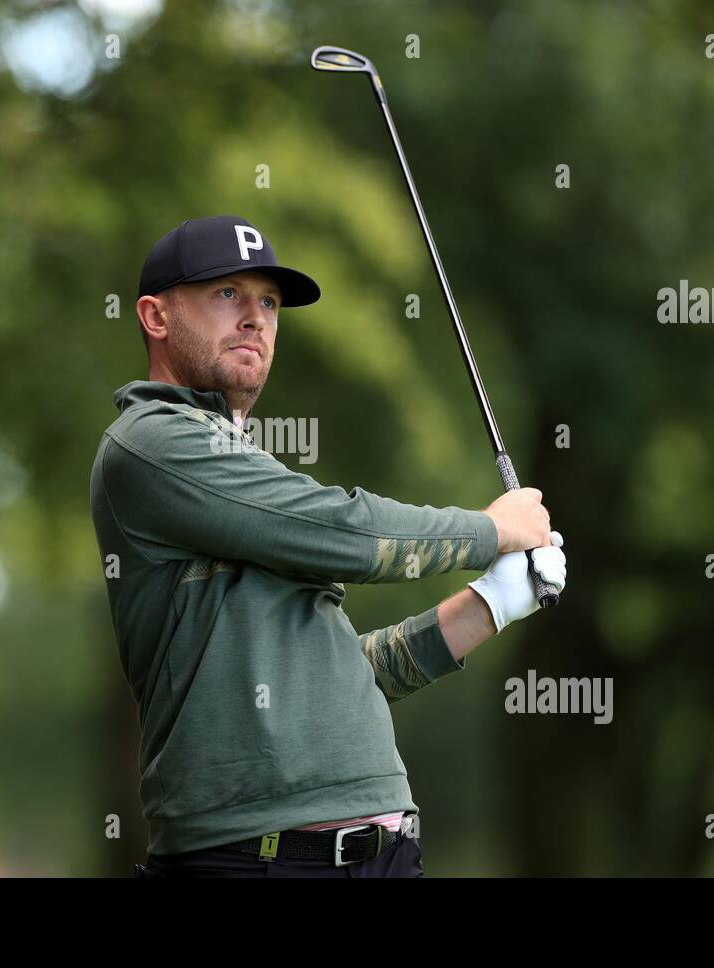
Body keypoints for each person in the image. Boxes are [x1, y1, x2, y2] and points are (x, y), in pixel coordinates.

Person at [90, 215, 566, 877]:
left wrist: (489, 606)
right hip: (250, 861)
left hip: (385, 856)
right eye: (227, 294)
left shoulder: (245, 475)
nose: (255, 318)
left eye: (269, 303)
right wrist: (491, 530)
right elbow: (341, 531)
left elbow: (342, 678)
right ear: (156, 316)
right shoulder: (149, 444)